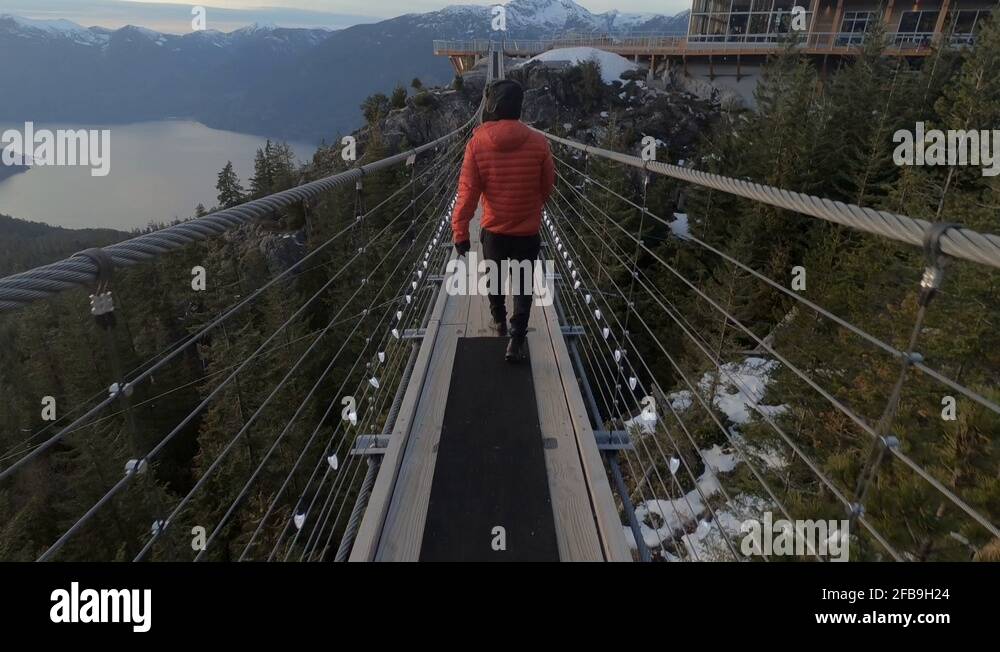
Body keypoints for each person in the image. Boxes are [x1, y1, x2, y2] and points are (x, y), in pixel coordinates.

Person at [451, 79, 556, 362]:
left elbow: (468, 193)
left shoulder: (477, 144)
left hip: (494, 230)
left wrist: (460, 232)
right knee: (523, 285)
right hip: (527, 230)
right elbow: (547, 186)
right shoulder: (539, 141)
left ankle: (498, 322)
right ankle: (517, 338)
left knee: (495, 280)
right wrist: (532, 205)